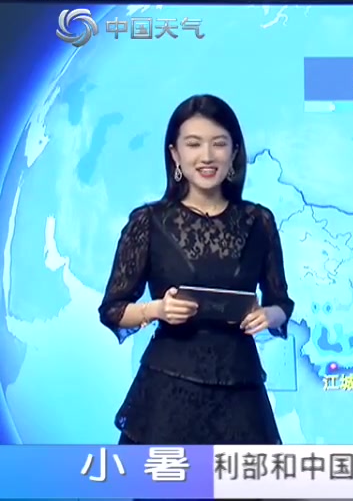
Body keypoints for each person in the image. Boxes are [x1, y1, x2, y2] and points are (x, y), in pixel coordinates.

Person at [98, 94, 294, 445]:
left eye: (219, 143)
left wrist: (269, 316)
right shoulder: (148, 222)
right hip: (167, 390)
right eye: (193, 144)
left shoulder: (259, 221)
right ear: (175, 154)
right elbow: (113, 309)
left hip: (241, 391)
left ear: (234, 152)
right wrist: (157, 310)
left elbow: (281, 302)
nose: (207, 156)